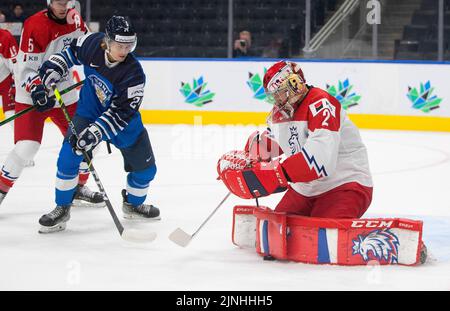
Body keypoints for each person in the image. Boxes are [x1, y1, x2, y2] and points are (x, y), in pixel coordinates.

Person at [37, 15, 160, 233]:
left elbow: (122, 112)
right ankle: (62, 207)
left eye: (129, 45)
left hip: (124, 124)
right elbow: (70, 53)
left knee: (146, 170)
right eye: (120, 45)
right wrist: (54, 69)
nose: (124, 51)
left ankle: (133, 204)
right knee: (68, 155)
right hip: (89, 111)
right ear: (107, 41)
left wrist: (95, 133)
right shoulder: (92, 44)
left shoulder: (134, 74)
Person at [218, 60, 373, 219]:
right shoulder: (283, 111)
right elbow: (277, 141)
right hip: (305, 188)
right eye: (274, 95)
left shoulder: (321, 103)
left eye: (279, 92)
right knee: (275, 226)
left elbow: (320, 160)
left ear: (294, 84)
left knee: (321, 233)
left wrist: (276, 174)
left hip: (344, 184)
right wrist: (252, 158)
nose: (277, 99)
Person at [0, 0, 104, 208]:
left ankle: (77, 188)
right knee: (27, 147)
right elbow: (26, 68)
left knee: (88, 139)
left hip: (64, 90)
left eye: (67, 2)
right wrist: (37, 89)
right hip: (31, 94)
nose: (63, 6)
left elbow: (89, 47)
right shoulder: (34, 24)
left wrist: (105, 60)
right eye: (58, 2)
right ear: (49, 2)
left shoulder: (75, 18)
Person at [0, 29, 18, 124]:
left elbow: (15, 62)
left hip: (6, 80)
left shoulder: (5, 37)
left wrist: (16, 82)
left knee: (11, 116)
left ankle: (19, 138)